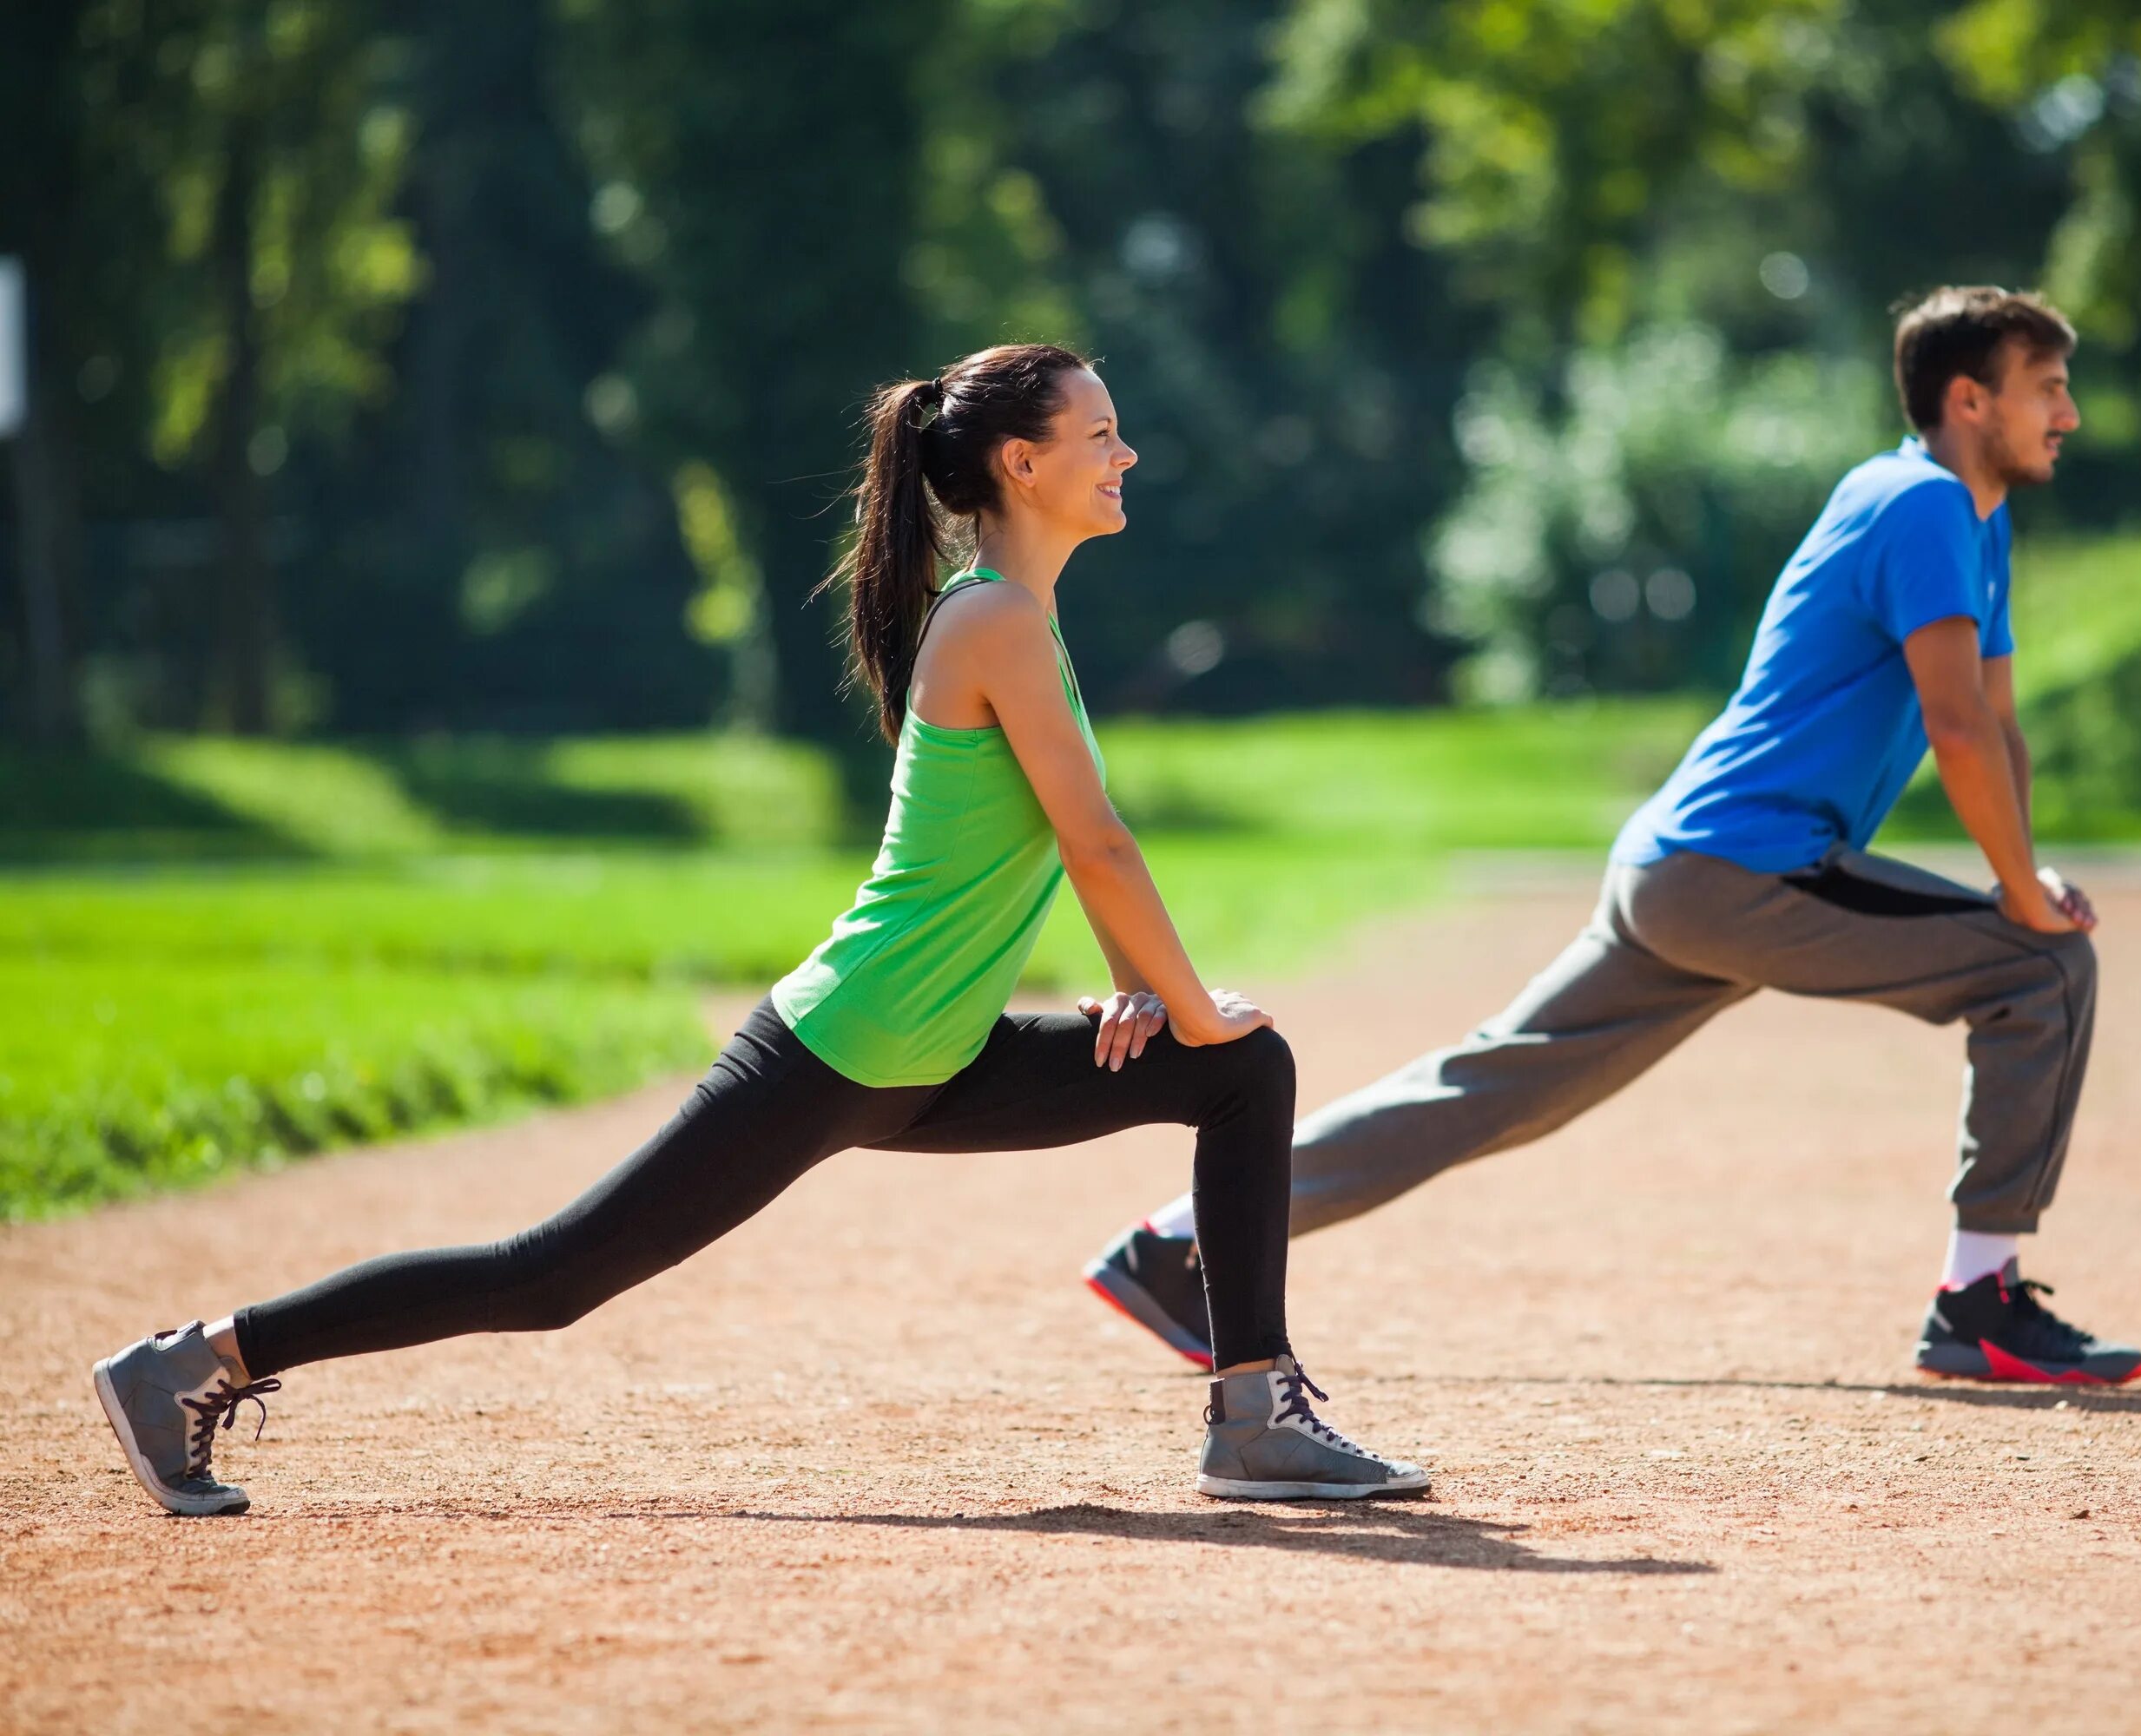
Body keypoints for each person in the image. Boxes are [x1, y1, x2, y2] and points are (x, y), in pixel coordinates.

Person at [93, 343, 1427, 1517]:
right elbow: (1098, 845)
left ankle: (1251, 1416)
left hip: (935, 1057)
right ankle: (198, 1361)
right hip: (844, 1047)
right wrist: (1183, 1000)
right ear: (1022, 464)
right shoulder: (997, 620)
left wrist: (1155, 995)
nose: (1126, 453)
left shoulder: (1027, 618)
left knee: (1244, 1074)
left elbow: (1076, 847)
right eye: (1099, 436)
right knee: (556, 1276)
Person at [1087, 288, 2141, 1388]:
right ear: (1970, 399)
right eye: (2049, 389)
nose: (2067, 414)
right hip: (1748, 866)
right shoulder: (1921, 503)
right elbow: (1957, 725)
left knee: (1488, 1087)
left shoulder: (1971, 520)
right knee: (2044, 968)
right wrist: (2022, 898)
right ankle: (1979, 1299)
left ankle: (1176, 1246)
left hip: (1688, 865)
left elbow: (2001, 723)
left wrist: (2023, 871)